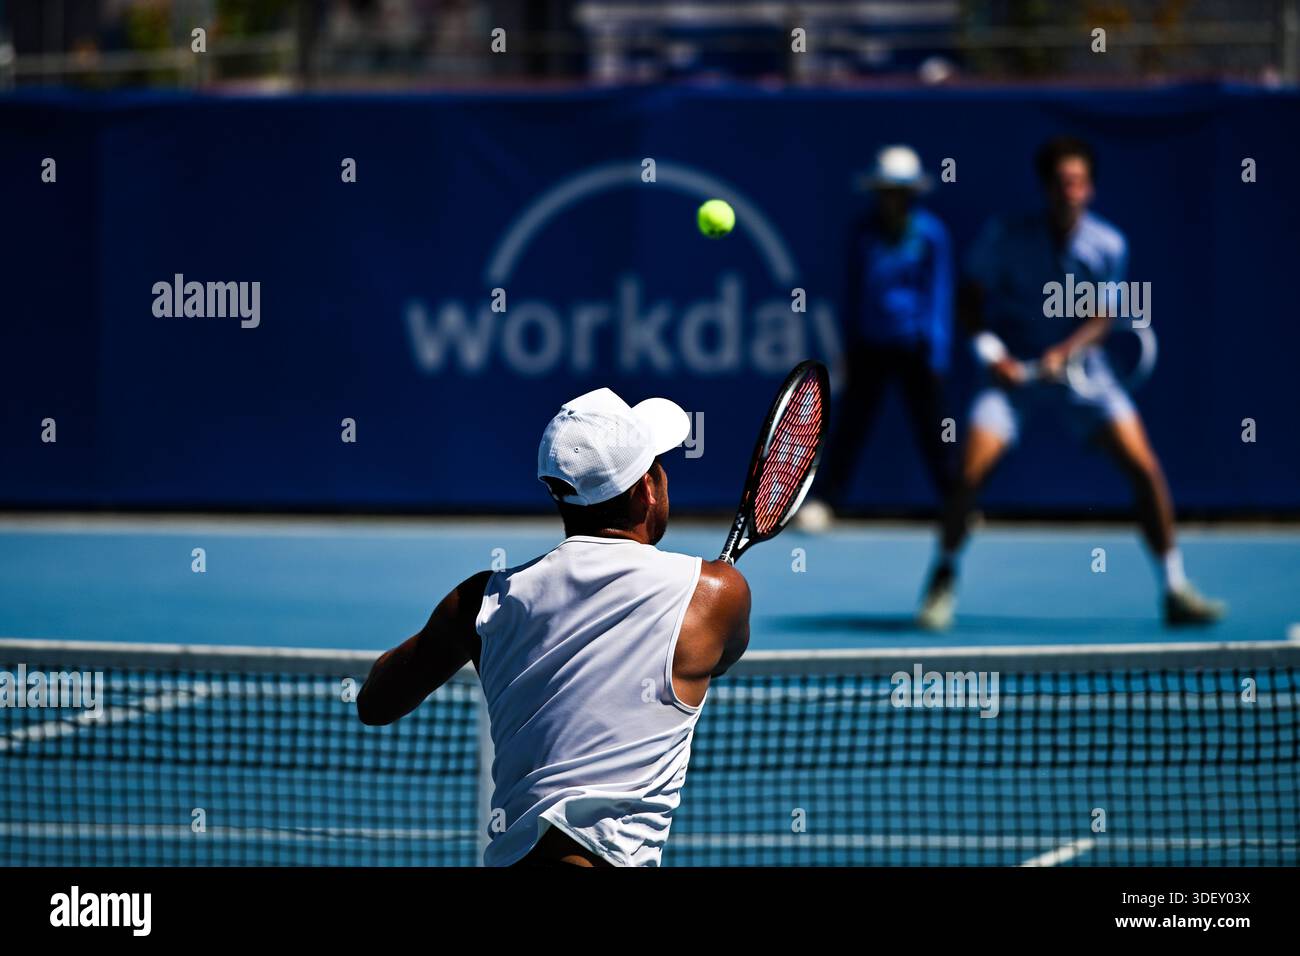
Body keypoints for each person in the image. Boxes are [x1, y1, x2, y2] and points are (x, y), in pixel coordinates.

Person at [356, 388, 751, 866]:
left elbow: (375, 702)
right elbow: (723, 654)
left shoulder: (479, 603)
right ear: (648, 488)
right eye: (659, 467)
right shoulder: (716, 595)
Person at [917, 136, 1225, 629]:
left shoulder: (1109, 245)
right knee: (969, 476)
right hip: (1012, 372)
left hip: (1085, 376)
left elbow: (1105, 316)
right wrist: (992, 353)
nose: (1071, 191)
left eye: (1080, 182)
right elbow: (970, 299)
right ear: (1046, 187)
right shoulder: (1005, 235)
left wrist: (1067, 351)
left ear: (1091, 189)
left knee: (1145, 469)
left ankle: (1174, 588)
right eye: (1063, 182)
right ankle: (942, 580)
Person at [800, 145, 954, 531]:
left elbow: (940, 294)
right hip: (869, 346)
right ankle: (826, 502)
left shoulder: (932, 234)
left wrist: (936, 352)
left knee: (934, 430)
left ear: (911, 194)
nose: (891, 199)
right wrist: (847, 347)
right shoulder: (861, 233)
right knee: (851, 428)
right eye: (885, 190)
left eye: (898, 191)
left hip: (915, 347)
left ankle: (957, 504)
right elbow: (854, 293)